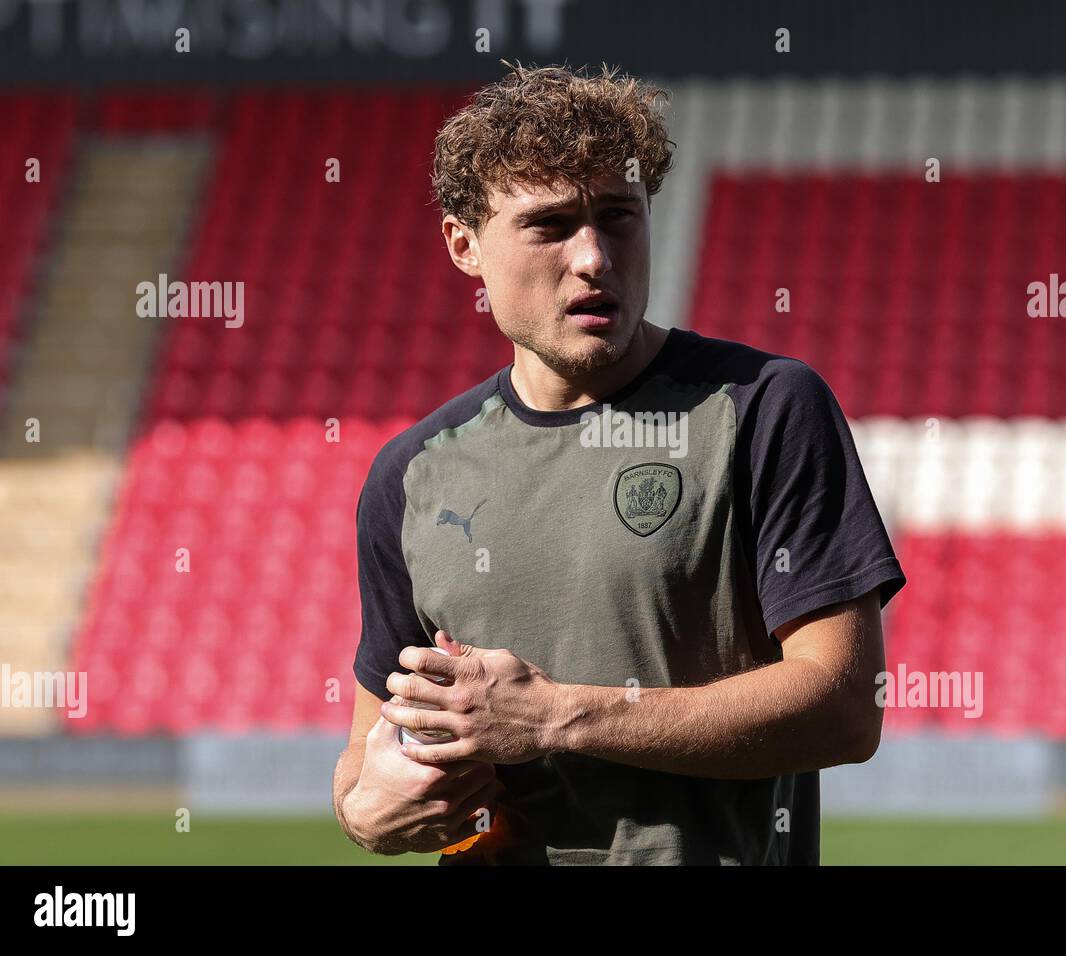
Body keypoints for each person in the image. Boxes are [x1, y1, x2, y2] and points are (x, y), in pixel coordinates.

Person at [332, 60, 905, 865]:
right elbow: (364, 760)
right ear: (465, 246)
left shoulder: (764, 407)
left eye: (618, 217)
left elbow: (846, 707)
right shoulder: (411, 473)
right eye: (550, 225)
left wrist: (555, 717)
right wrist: (369, 812)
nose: (594, 257)